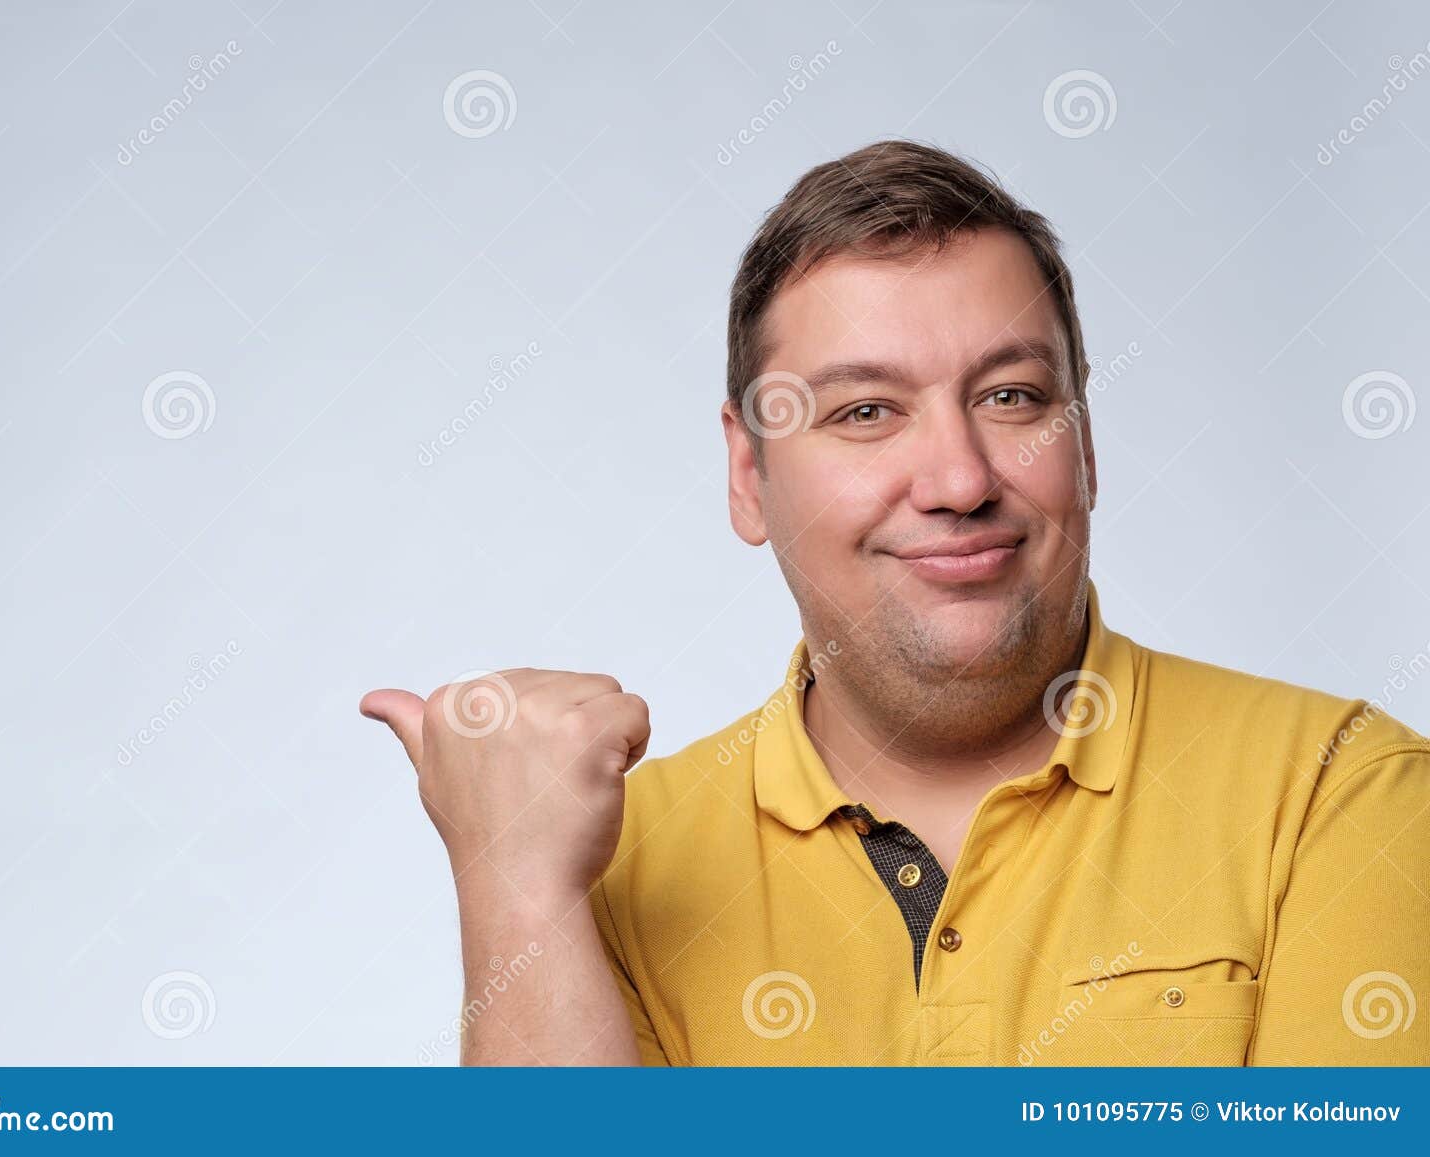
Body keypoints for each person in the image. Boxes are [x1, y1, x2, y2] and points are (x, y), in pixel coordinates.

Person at [361, 139, 1429, 1066]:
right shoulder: (611, 865)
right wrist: (515, 888)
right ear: (748, 472)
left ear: (1085, 439)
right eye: (866, 410)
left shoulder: (1339, 797)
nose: (958, 478)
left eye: (1011, 396)